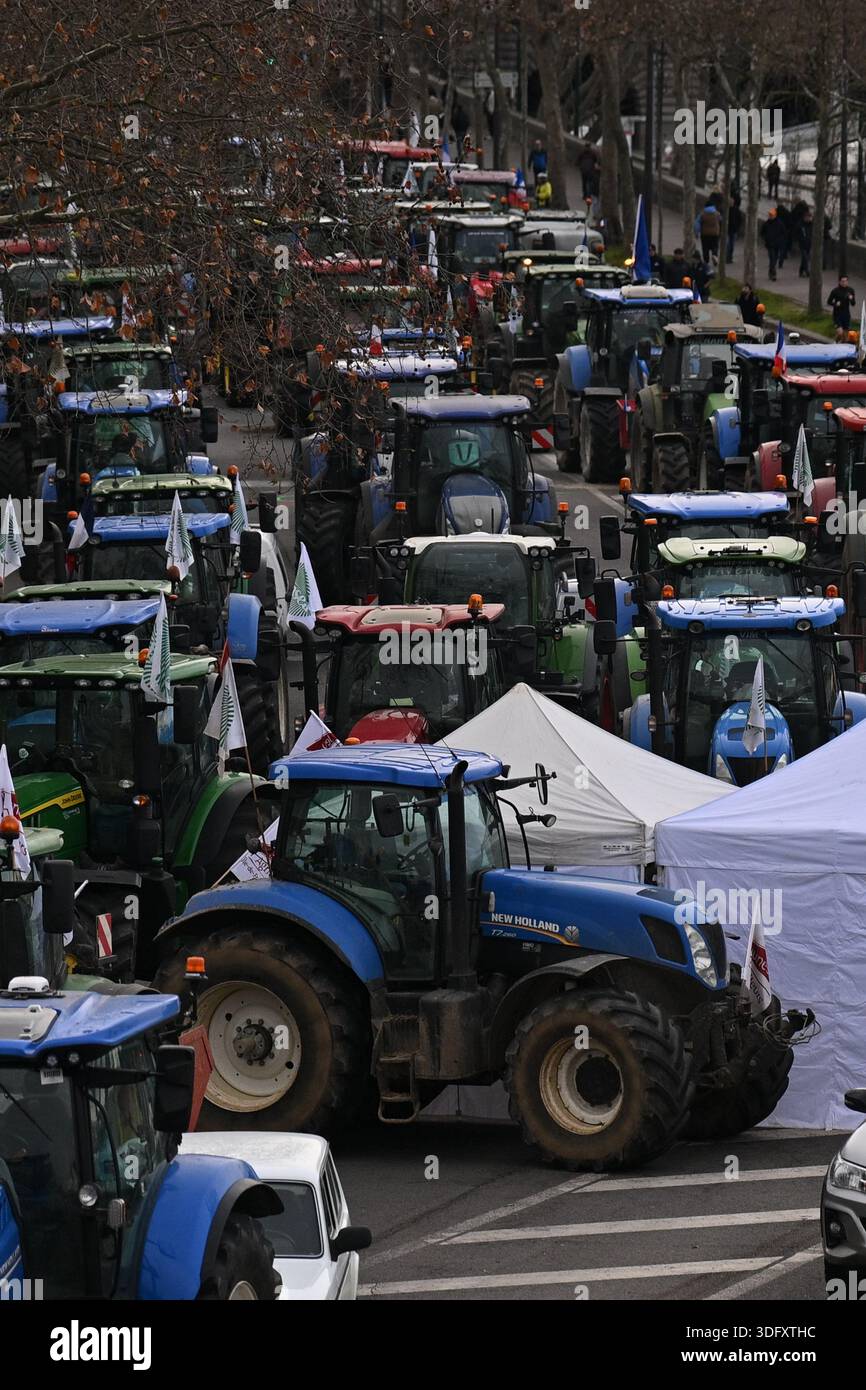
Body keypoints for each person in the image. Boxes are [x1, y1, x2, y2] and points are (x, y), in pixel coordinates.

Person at [761, 209, 786, 280]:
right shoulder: (766, 223)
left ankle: (770, 271)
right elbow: (762, 232)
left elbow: (784, 233)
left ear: (775, 215)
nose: (770, 216)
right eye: (769, 215)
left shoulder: (779, 223)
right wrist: (766, 238)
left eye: (771, 215)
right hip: (769, 244)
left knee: (775, 259)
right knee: (772, 258)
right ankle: (773, 274)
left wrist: (781, 240)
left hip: (777, 244)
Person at [694, 200, 721, 265]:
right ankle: (714, 255)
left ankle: (706, 261)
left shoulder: (702, 214)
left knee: (705, 247)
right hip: (715, 233)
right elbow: (720, 220)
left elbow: (697, 224)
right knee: (715, 246)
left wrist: (696, 233)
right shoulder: (717, 213)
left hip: (705, 234)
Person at [797, 210, 813, 278]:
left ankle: (801, 271)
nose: (809, 219)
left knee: (804, 258)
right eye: (807, 217)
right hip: (802, 244)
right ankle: (807, 271)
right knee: (805, 257)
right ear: (804, 217)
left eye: (810, 217)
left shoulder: (812, 225)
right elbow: (797, 233)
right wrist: (799, 239)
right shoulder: (800, 224)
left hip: (809, 244)